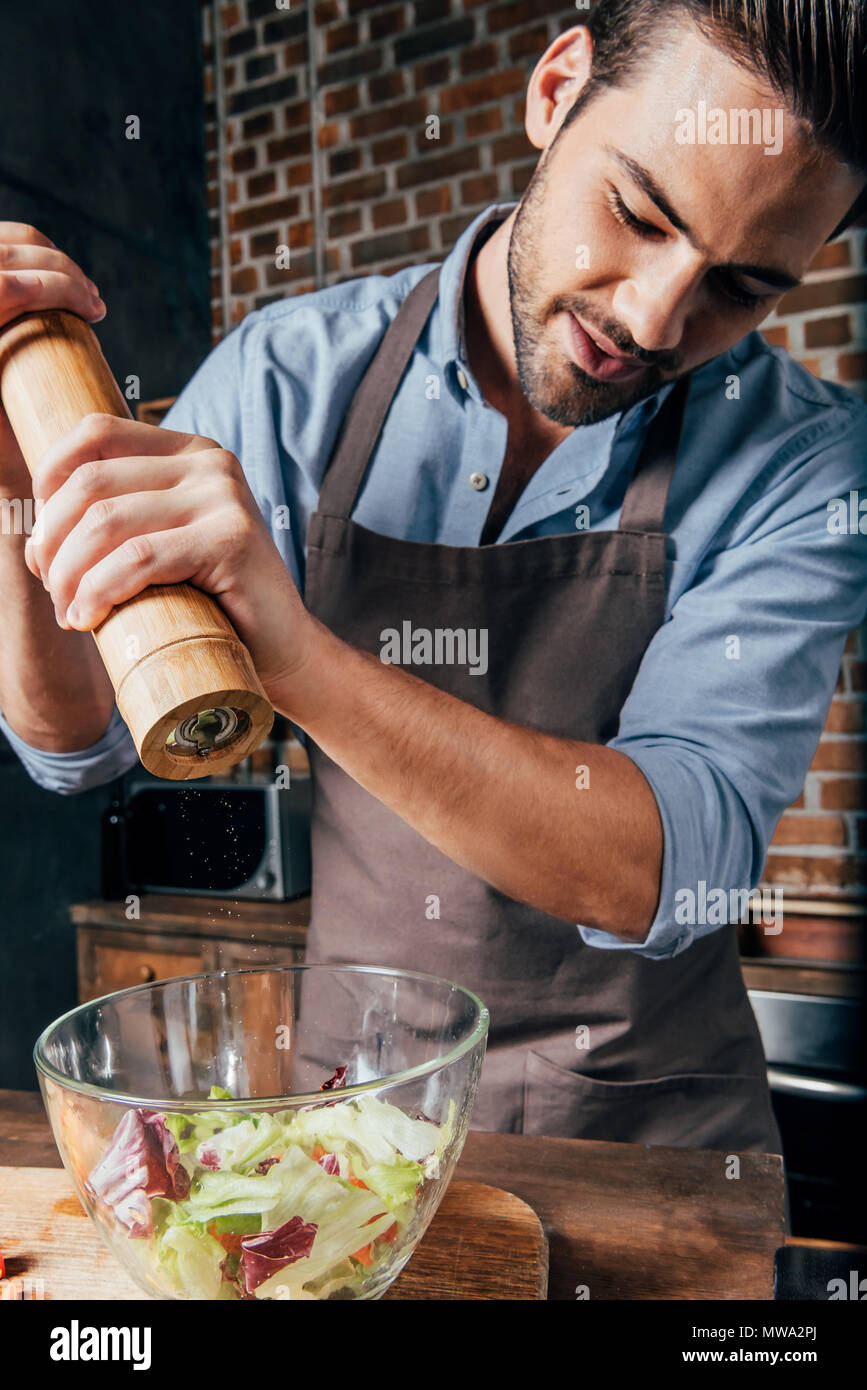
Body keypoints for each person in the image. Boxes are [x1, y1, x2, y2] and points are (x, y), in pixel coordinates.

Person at [1, 2, 865, 1149]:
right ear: (555, 89)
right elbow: (80, 743)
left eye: (744, 288)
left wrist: (297, 656)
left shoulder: (806, 460)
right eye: (639, 212)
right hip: (357, 1126)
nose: (655, 318)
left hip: (650, 1155)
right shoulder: (288, 378)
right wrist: (21, 488)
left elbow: (661, 864)